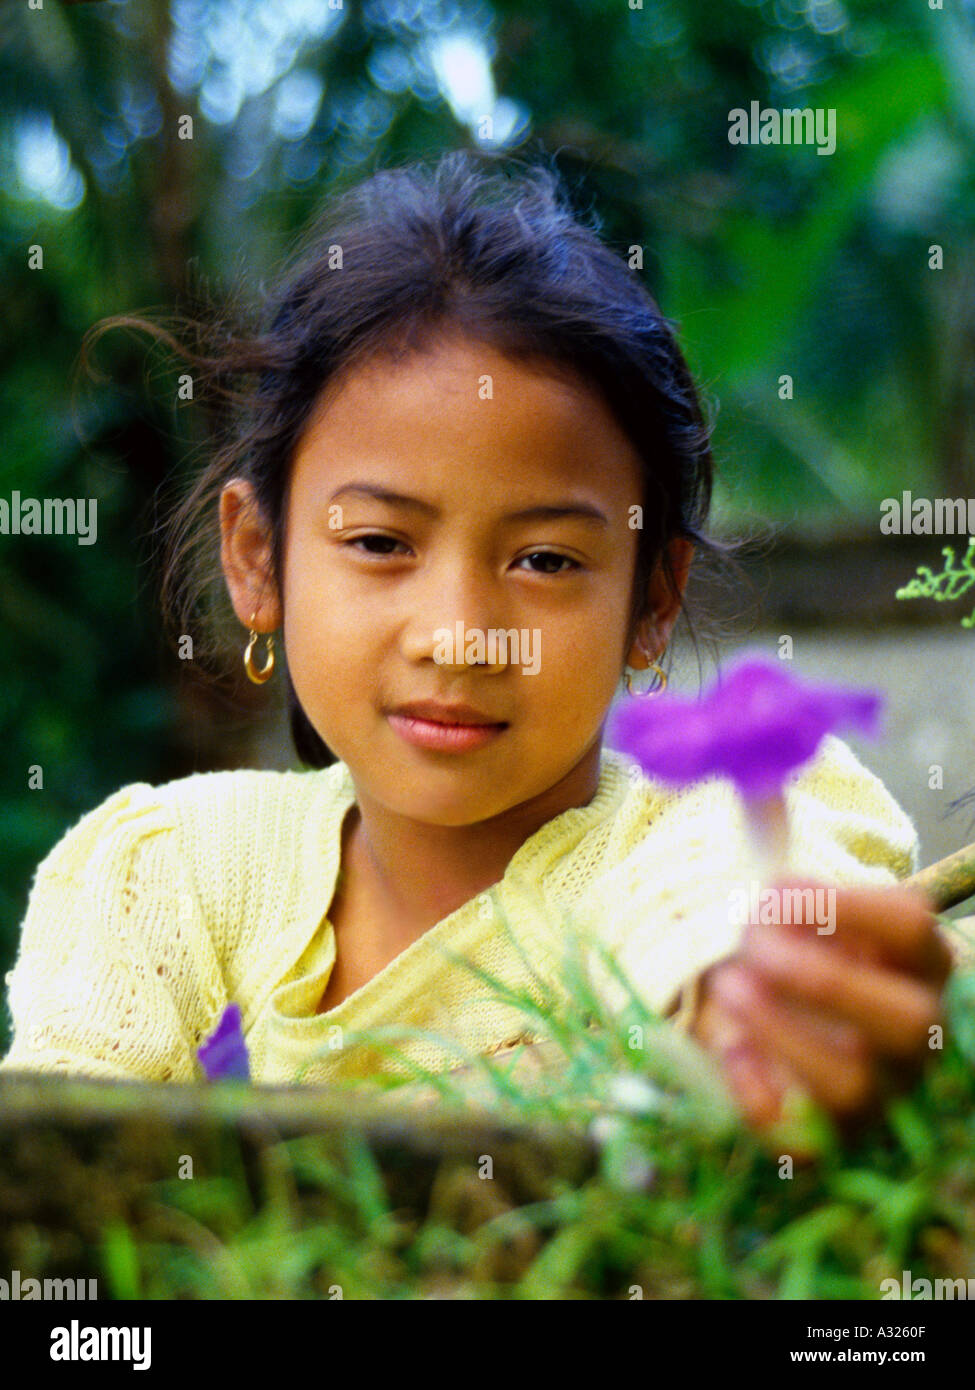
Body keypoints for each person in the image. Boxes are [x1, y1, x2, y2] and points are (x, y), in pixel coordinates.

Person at [0, 150, 955, 1143]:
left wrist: (754, 994)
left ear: (652, 601)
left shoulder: (714, 814)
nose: (458, 636)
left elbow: (734, 900)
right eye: (379, 542)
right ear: (259, 560)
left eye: (544, 560)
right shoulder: (166, 872)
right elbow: (50, 1174)